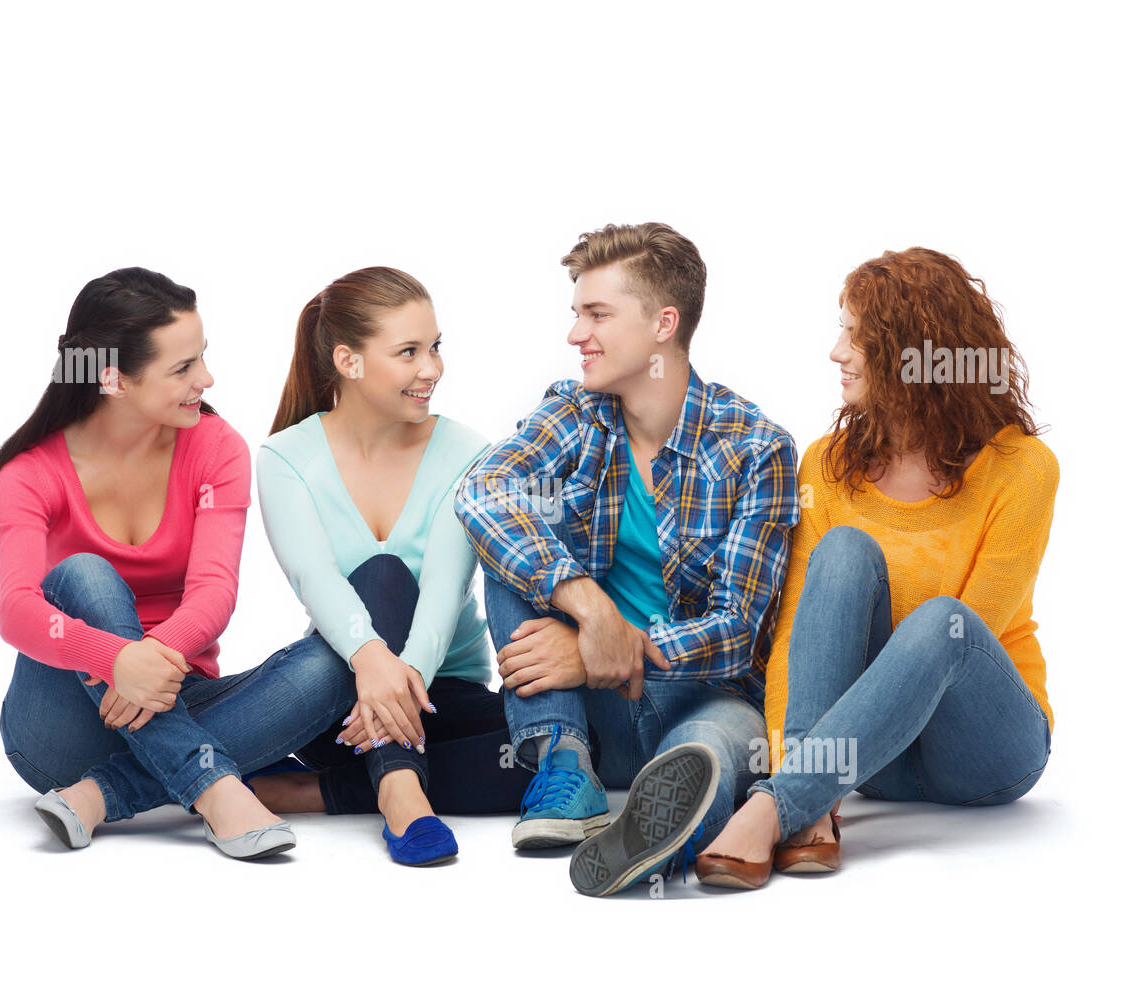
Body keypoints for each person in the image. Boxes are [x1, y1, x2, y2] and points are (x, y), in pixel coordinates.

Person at [693, 247, 1058, 889]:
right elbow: (792, 643)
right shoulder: (827, 464)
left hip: (985, 747)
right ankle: (808, 809)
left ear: (913, 352)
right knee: (842, 552)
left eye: (856, 335)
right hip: (868, 762)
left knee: (946, 621)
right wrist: (799, 760)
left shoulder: (1023, 469)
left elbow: (972, 636)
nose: (837, 352)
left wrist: (779, 787)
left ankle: (773, 808)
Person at [454, 223, 801, 896]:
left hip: (700, 695)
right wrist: (590, 609)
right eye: (576, 313)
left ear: (663, 324)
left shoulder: (757, 448)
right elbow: (481, 490)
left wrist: (604, 648)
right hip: (585, 710)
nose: (576, 334)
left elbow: (739, 630)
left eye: (597, 315)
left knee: (714, 745)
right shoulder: (576, 413)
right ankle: (563, 762)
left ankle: (665, 822)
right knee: (519, 528)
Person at [0, 266, 302, 859]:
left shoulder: (216, 448)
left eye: (201, 357)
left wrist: (146, 666)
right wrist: (114, 660)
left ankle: (102, 796)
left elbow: (214, 592)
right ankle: (212, 785)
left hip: (174, 693)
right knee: (84, 575)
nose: (206, 379)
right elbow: (16, 611)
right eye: (182, 369)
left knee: (334, 665)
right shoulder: (30, 472)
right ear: (114, 379)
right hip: (58, 731)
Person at [244, 266, 534, 864]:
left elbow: (446, 589)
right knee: (380, 574)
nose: (432, 368)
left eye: (435, 347)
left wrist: (400, 687)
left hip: (432, 696)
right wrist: (372, 663)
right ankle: (402, 794)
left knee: (554, 747)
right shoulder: (286, 457)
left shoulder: (468, 452)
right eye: (409, 352)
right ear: (349, 362)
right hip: (347, 693)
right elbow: (315, 580)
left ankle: (318, 790)